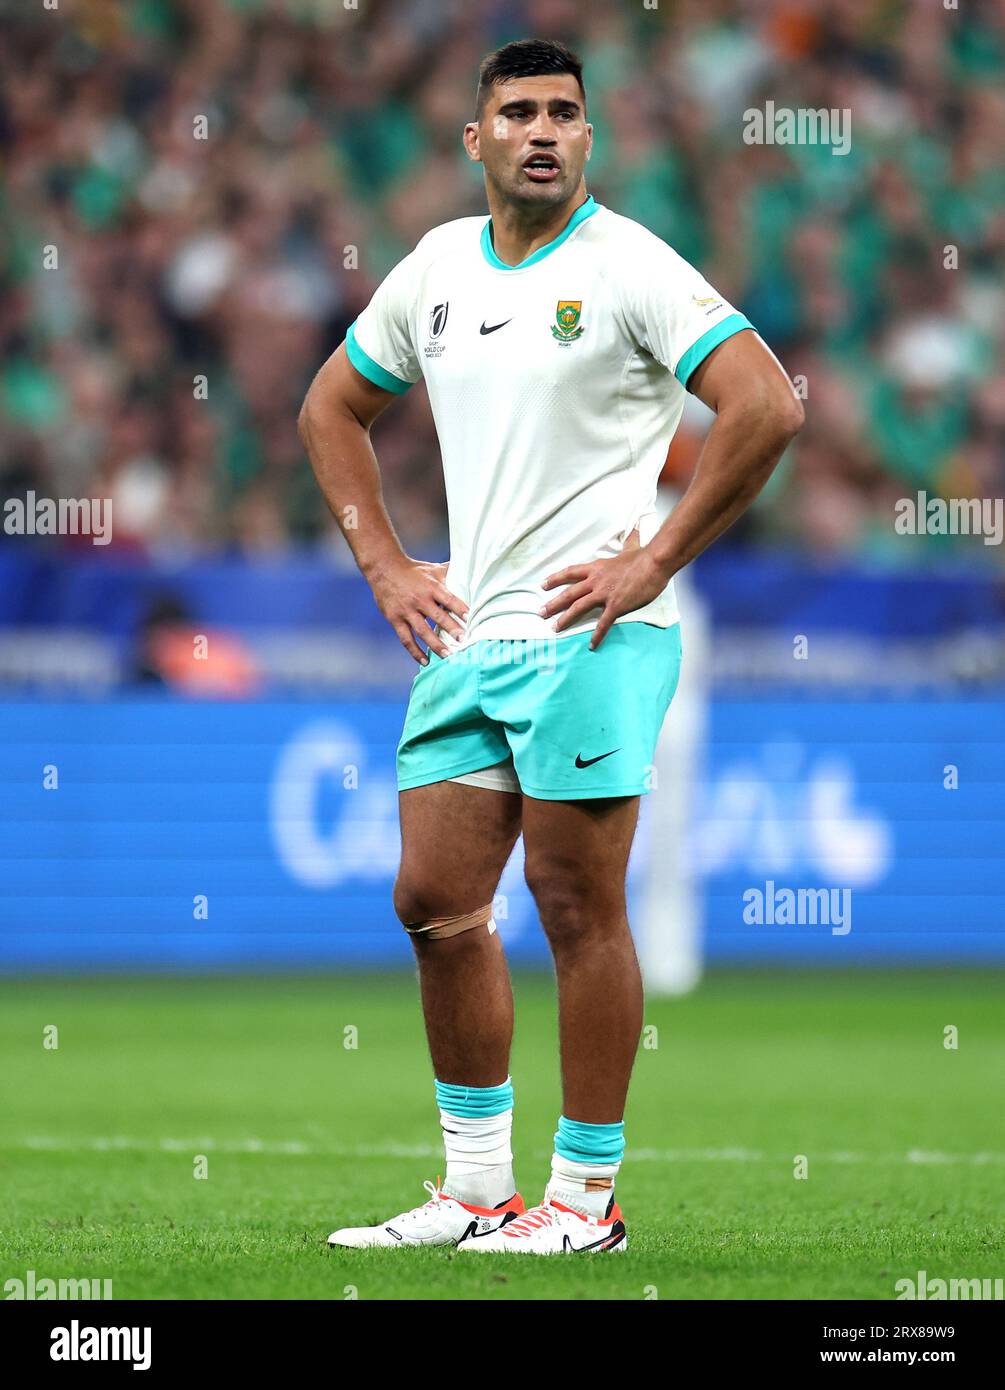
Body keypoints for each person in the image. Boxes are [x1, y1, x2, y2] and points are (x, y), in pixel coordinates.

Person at [299, 38, 802, 1255]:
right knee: (431, 901)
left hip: (592, 633)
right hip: (471, 632)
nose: (541, 130)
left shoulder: (627, 264)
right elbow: (332, 407)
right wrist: (385, 563)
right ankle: (477, 1190)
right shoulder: (431, 272)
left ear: (590, 139)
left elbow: (768, 401)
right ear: (474, 139)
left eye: (564, 114)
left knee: (575, 903)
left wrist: (656, 560)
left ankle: (584, 1202)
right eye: (517, 111)